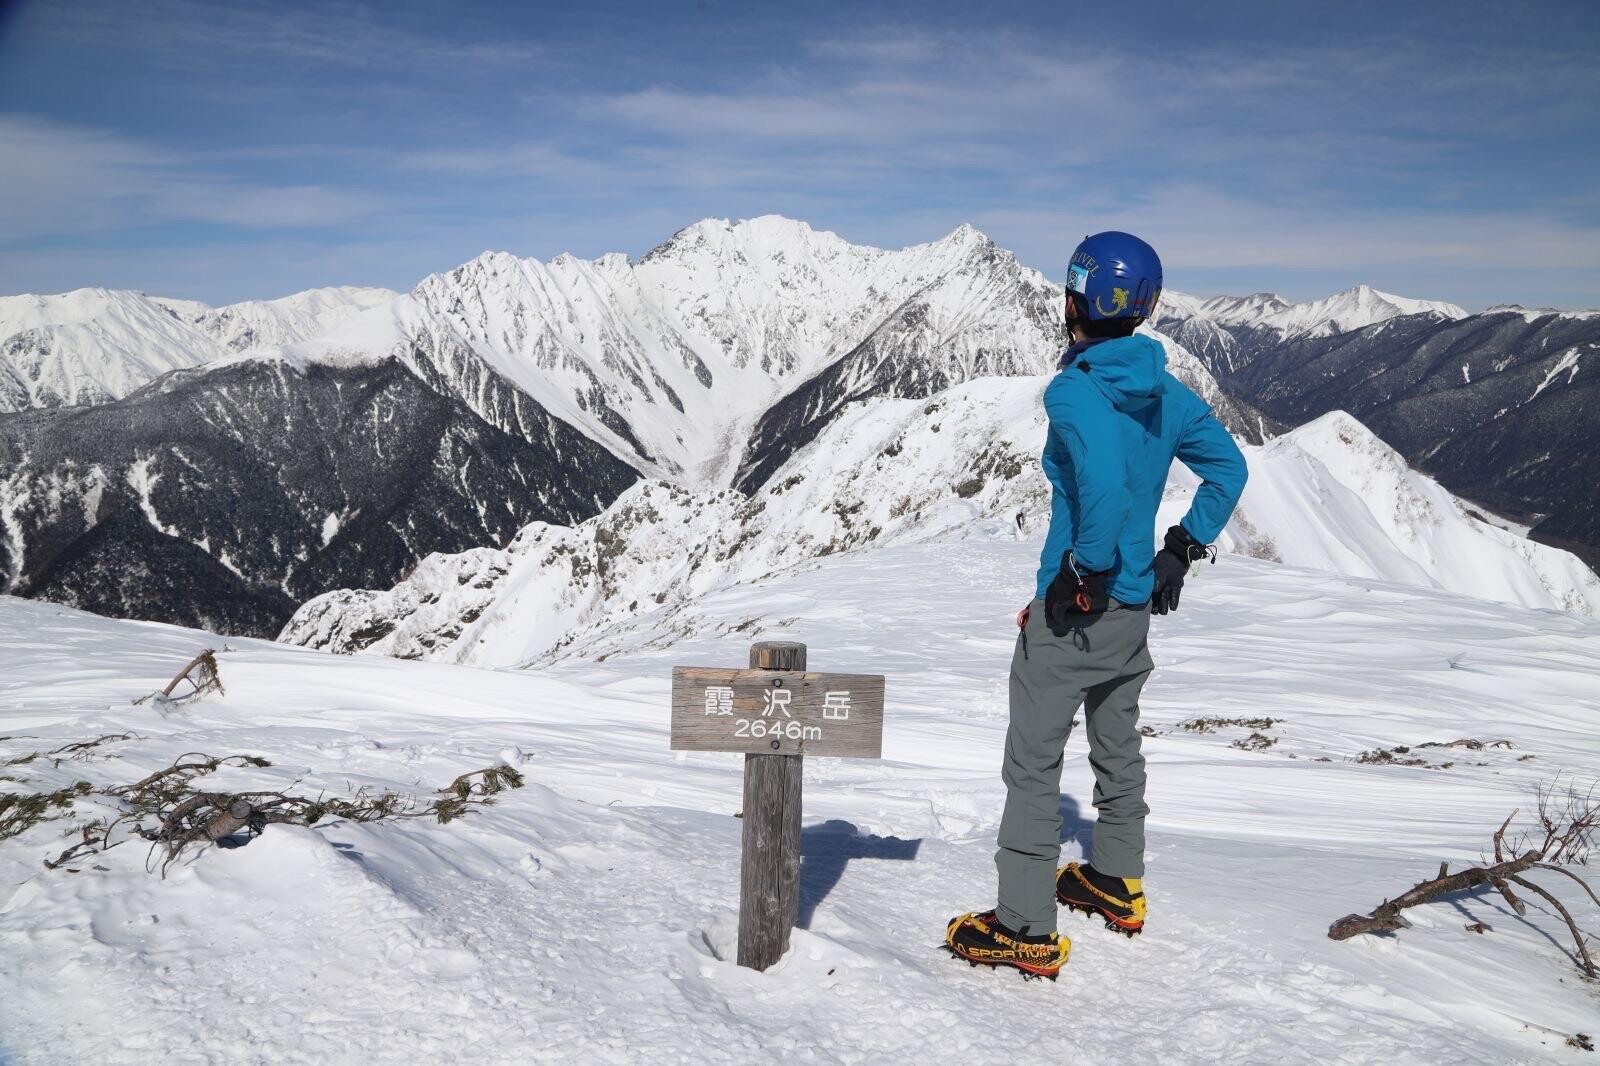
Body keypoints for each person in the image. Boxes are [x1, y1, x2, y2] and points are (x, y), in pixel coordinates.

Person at [945, 231, 1248, 980]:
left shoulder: (1075, 389)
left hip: (1079, 609)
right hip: (1134, 610)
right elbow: (1228, 470)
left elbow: (1105, 488)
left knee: (1033, 766)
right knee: (1116, 742)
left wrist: (1082, 574)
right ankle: (1116, 879)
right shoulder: (1168, 394)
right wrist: (1183, 547)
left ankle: (1022, 926)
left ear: (1079, 298)